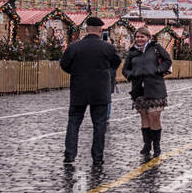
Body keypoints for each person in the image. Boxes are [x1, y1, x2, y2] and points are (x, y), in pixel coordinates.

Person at [59, 16, 122, 167]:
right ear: (101, 30)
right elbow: (116, 63)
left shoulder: (74, 47)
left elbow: (64, 65)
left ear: (86, 29)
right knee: (99, 125)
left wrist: (76, 72)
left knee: (74, 122)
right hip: (100, 90)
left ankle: (70, 154)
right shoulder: (108, 48)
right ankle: (97, 157)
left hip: (79, 89)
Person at [124, 29, 172, 157]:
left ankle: (156, 145)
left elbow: (168, 61)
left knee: (154, 116)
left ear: (148, 37)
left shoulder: (156, 48)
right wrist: (131, 75)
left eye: (142, 37)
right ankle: (147, 145)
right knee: (144, 116)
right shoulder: (132, 52)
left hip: (155, 86)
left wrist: (159, 70)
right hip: (138, 88)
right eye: (137, 37)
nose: (139, 39)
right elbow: (125, 69)